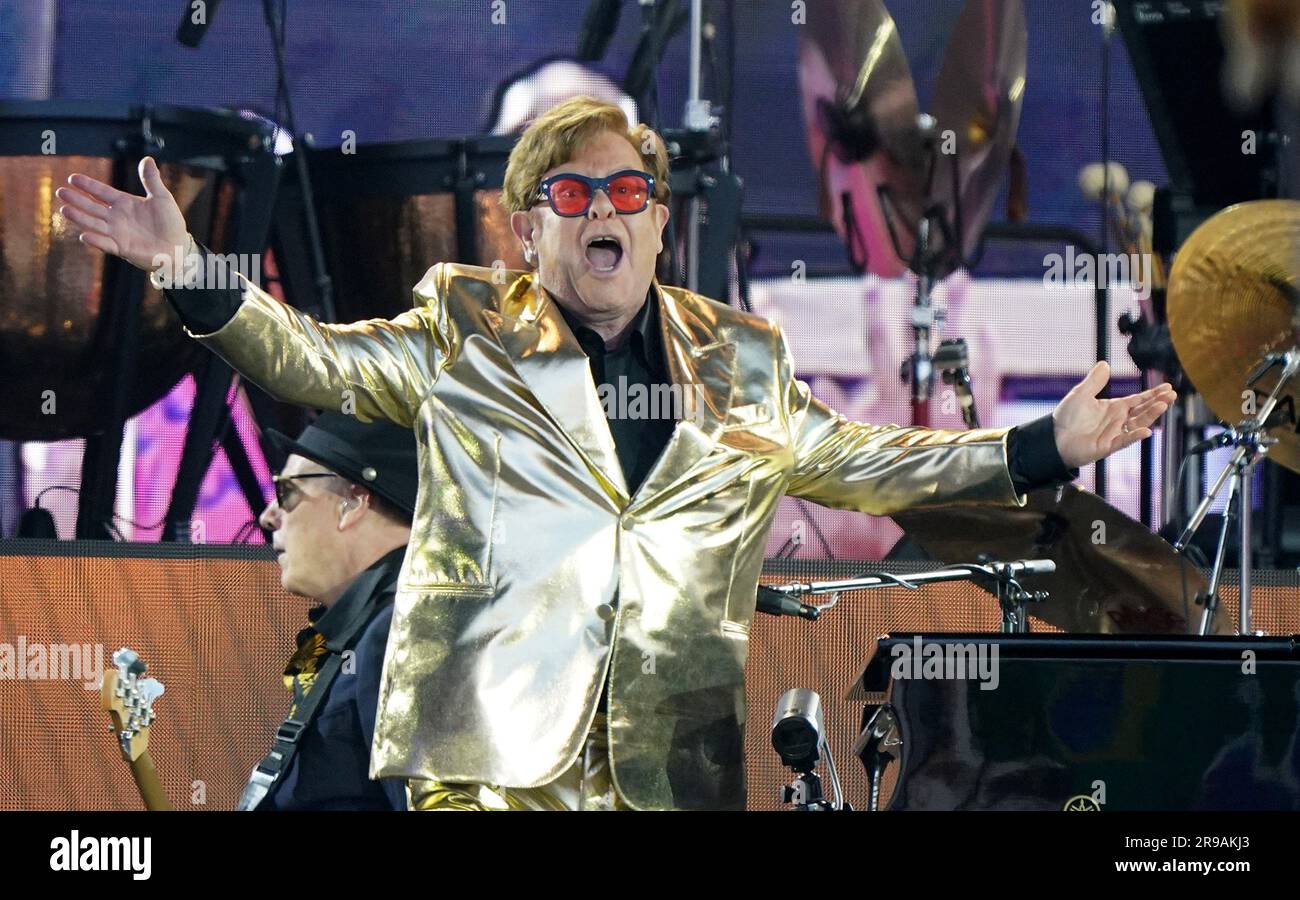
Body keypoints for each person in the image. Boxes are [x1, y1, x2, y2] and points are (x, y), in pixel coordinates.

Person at [55, 96, 1175, 810]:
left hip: (666, 777)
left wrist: (1043, 444)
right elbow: (315, 365)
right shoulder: (468, 332)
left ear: (656, 223)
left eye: (629, 192)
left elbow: (871, 462)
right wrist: (188, 270)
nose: (608, 210)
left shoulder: (738, 359)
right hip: (489, 774)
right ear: (528, 230)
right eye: (575, 193)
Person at [241, 412, 415, 811]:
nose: (268, 515)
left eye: (286, 491)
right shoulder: (361, 631)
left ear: (353, 503)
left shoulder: (398, 634)